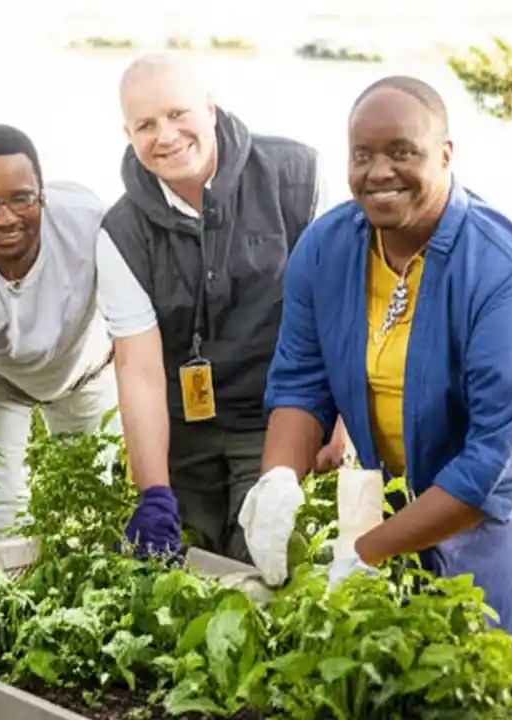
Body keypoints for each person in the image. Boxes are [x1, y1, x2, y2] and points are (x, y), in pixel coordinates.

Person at [243, 75, 512, 648]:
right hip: (435, 468)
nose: (379, 171)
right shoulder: (326, 249)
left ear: (446, 155)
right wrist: (277, 482)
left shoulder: (499, 270)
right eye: (362, 154)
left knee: (507, 652)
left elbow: (499, 460)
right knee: (419, 633)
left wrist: (369, 549)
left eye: (402, 152)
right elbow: (299, 382)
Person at [100, 53, 345, 563]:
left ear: (210, 109)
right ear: (127, 134)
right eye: (145, 125)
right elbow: (139, 368)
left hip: (275, 415)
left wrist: (345, 416)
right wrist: (153, 493)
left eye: (177, 114)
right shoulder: (120, 232)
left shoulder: (297, 176)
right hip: (183, 430)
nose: (165, 136)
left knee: (257, 559)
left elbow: (342, 306)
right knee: (183, 571)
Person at [0, 124, 182, 555]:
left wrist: (155, 493)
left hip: (84, 373)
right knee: (0, 511)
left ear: (42, 192)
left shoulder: (92, 225)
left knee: (91, 504)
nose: (5, 218)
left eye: (21, 198)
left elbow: (137, 354)